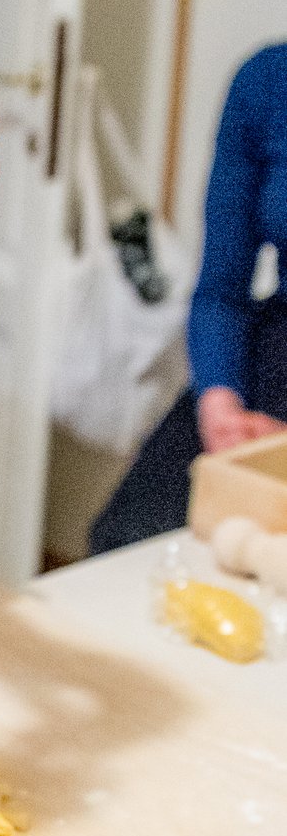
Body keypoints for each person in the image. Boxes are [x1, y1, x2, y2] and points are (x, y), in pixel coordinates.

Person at [92, 44, 287, 554]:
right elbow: (222, 291)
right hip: (275, 348)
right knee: (125, 540)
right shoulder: (266, 81)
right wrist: (220, 401)